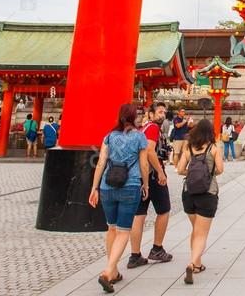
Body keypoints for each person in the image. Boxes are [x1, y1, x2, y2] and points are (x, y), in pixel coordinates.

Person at [88, 103, 150, 293]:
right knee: (123, 231)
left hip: (107, 187)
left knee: (111, 228)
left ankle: (114, 270)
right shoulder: (140, 137)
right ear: (133, 117)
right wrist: (146, 184)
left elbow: (100, 162)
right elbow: (144, 164)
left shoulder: (109, 136)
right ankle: (108, 272)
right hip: (130, 186)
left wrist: (94, 187)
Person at [175, 118, 224, 285]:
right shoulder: (214, 148)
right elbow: (220, 169)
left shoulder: (188, 147)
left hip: (188, 193)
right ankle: (192, 263)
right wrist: (207, 173)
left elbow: (179, 170)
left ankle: (197, 264)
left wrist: (192, 173)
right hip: (207, 193)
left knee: (195, 230)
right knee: (201, 233)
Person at [127, 103, 173, 269]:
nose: (163, 114)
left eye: (164, 111)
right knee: (164, 210)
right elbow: (150, 150)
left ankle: (135, 255)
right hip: (152, 175)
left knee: (139, 215)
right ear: (151, 114)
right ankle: (157, 249)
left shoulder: (142, 128)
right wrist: (160, 172)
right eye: (159, 111)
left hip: (139, 175)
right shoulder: (153, 128)